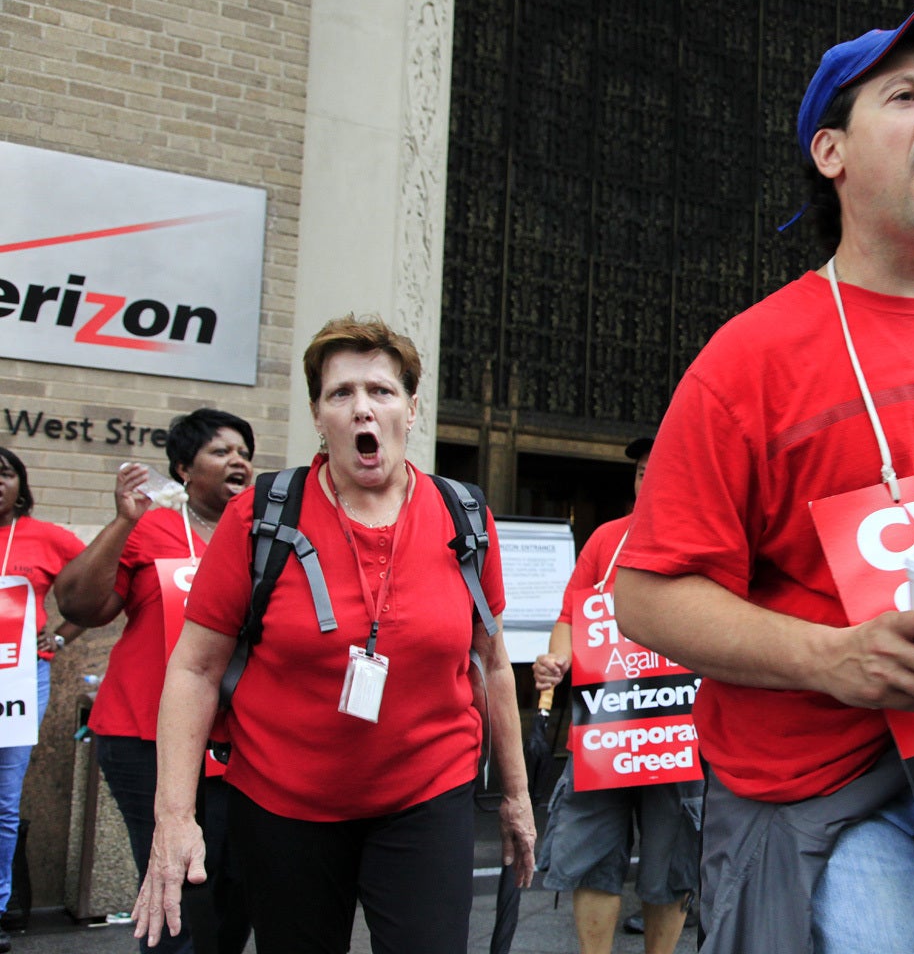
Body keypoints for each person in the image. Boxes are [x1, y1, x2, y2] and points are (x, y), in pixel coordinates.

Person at [611, 0, 914, 953]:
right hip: (834, 795)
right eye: (907, 94)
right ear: (832, 154)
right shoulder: (747, 360)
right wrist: (833, 659)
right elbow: (645, 594)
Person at [128, 315, 536, 954]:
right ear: (318, 415)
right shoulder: (260, 516)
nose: (361, 409)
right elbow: (194, 669)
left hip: (427, 794)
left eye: (381, 390)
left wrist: (516, 796)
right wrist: (174, 819)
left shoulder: (466, 517)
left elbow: (491, 661)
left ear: (411, 408)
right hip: (283, 803)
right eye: (340, 393)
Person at [55, 409, 256, 954]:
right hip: (144, 735)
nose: (237, 460)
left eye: (243, 452)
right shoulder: (152, 530)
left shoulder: (264, 536)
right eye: (220, 451)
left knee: (233, 887)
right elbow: (78, 603)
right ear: (184, 469)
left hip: (240, 743)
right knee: (176, 884)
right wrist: (123, 521)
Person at [533, 436, 699, 954]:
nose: (647, 481)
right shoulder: (607, 540)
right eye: (641, 472)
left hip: (675, 730)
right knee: (591, 855)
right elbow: (570, 618)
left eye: (659, 470)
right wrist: (556, 660)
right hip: (604, 729)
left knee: (670, 865)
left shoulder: (705, 541)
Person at [0, 447, 86, 953]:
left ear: (20, 484)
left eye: (5, 473)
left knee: (5, 798)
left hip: (18, 678)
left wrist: (61, 636)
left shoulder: (45, 536)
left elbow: (104, 580)